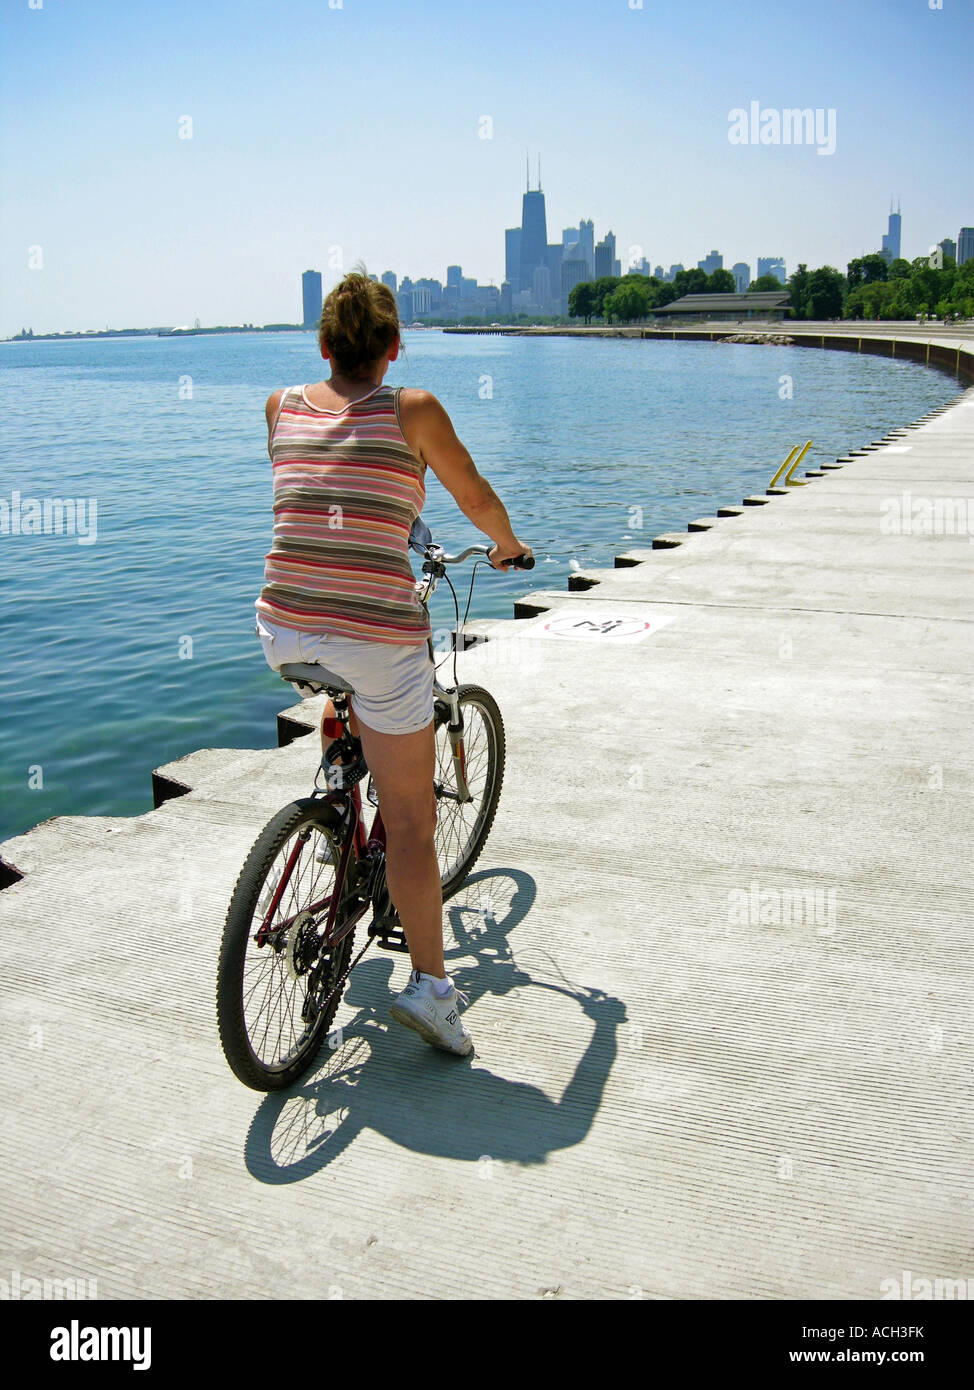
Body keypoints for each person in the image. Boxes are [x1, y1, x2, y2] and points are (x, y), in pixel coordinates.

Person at [254, 269, 532, 1057]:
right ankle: (434, 993)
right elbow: (472, 495)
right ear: (395, 347)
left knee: (340, 687)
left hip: (280, 627)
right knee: (412, 821)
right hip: (375, 638)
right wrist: (507, 546)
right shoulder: (413, 408)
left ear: (322, 346)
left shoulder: (279, 407)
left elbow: (318, 495)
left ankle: (340, 801)